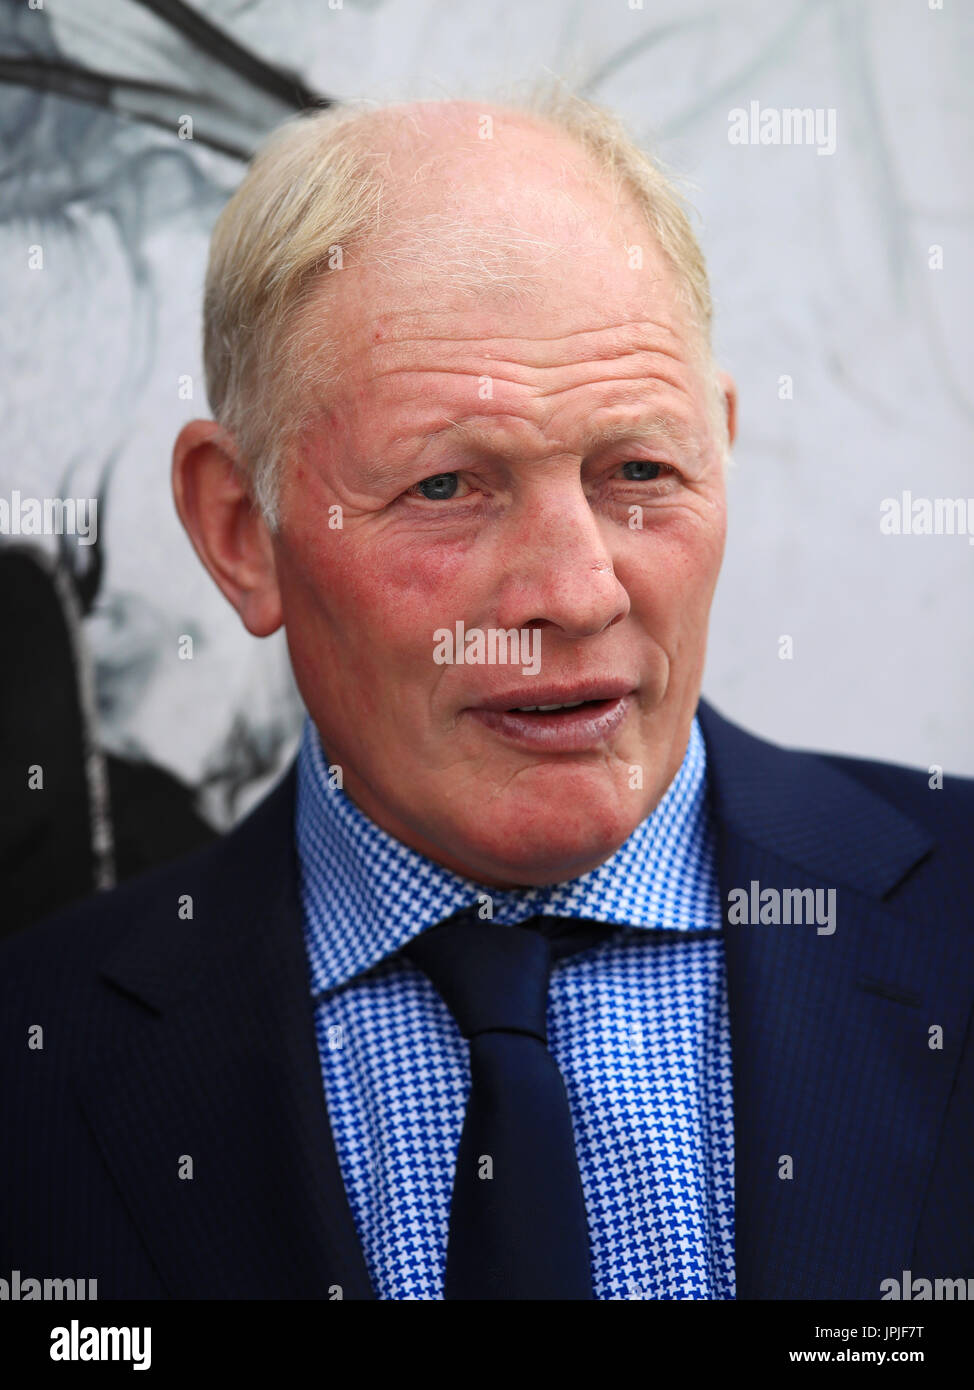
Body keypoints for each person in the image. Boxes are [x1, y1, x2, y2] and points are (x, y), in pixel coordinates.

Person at [2, 89, 971, 1302]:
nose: (577, 592)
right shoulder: (33, 1064)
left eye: (638, 469)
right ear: (241, 526)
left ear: (718, 450)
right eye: (447, 486)